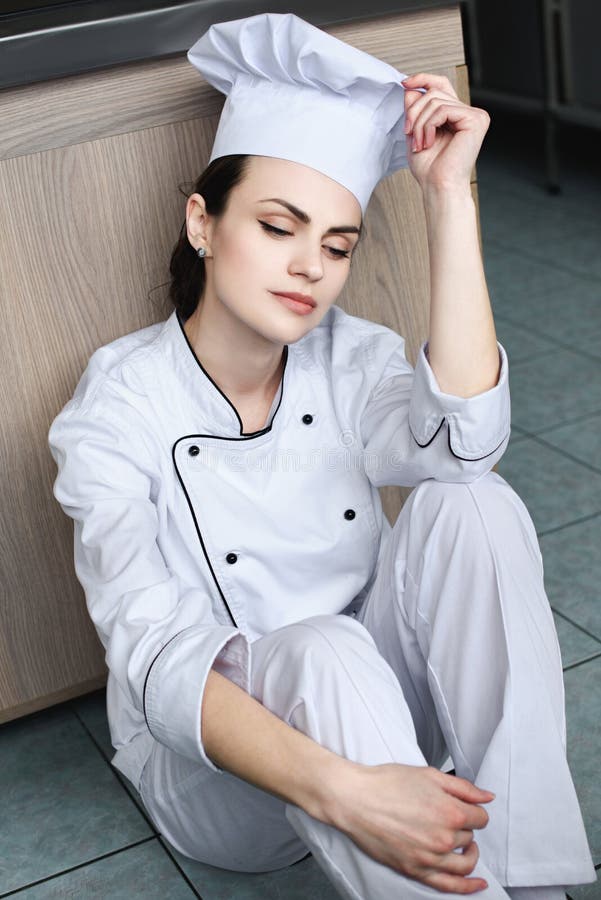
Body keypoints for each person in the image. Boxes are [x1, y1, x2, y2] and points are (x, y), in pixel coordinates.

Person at [47, 12, 596, 900]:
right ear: (202, 222)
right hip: (224, 771)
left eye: (337, 246)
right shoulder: (118, 405)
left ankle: (530, 878)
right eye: (278, 227)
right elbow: (156, 661)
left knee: (473, 500)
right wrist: (348, 791)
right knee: (324, 646)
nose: (310, 266)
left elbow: (466, 445)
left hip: (384, 724)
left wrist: (448, 198)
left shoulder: (351, 355)